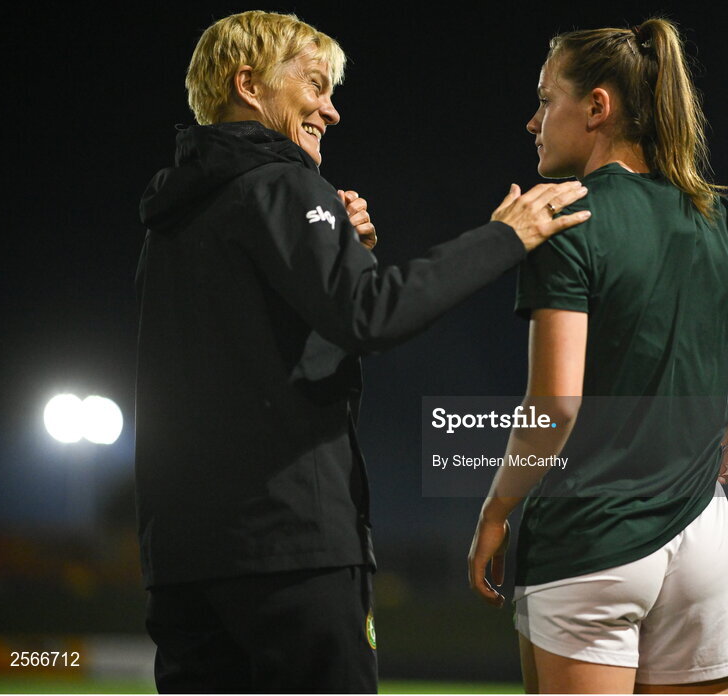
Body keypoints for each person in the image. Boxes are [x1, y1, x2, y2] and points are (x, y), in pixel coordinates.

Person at [134, 10, 590, 694]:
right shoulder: (283, 184)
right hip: (292, 553)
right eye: (315, 85)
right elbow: (370, 316)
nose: (332, 109)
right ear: (249, 85)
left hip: (183, 563)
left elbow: (252, 360)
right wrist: (503, 238)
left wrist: (337, 257)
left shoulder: (172, 219)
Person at [467, 17, 728, 695]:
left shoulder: (566, 220)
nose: (533, 120)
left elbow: (555, 405)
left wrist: (495, 511)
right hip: (701, 540)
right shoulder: (724, 221)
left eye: (547, 100)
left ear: (597, 107)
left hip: (587, 538)